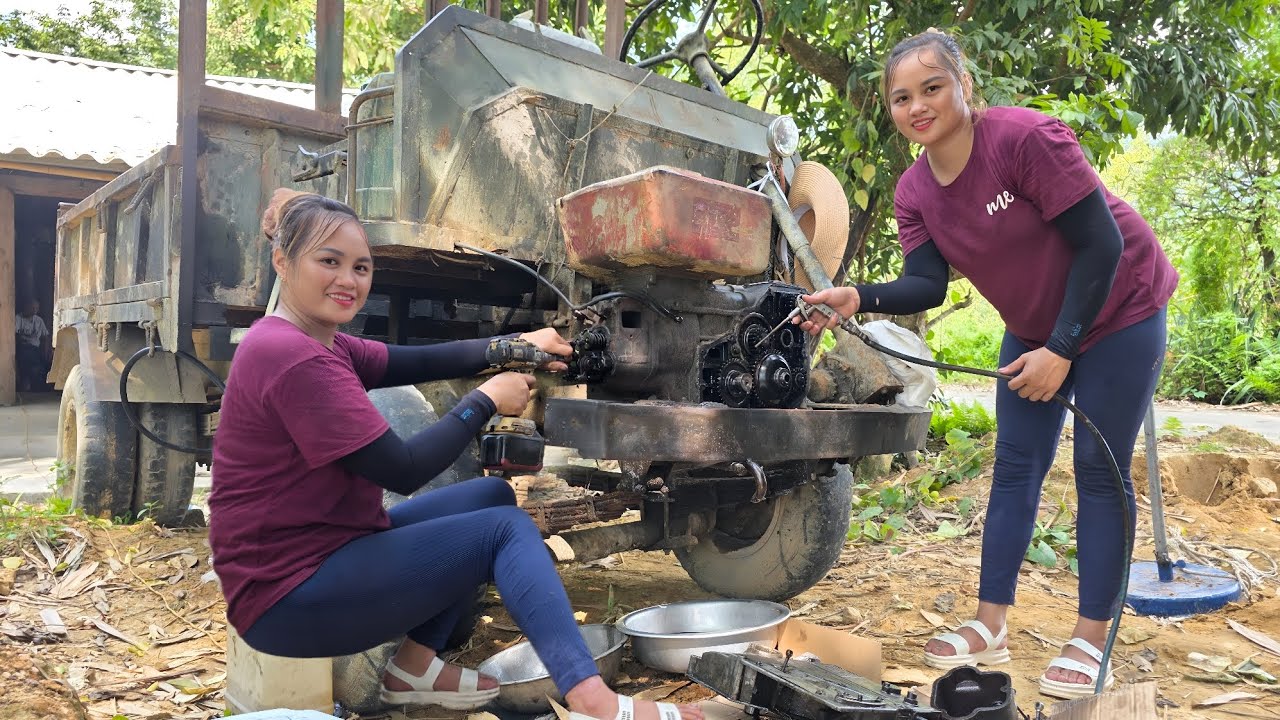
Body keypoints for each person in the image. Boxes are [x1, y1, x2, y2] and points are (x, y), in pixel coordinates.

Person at [208, 189, 700, 720]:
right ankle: (594, 700)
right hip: (288, 595)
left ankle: (411, 667)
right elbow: (403, 467)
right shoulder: (293, 357)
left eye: (361, 266)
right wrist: (483, 400)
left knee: (489, 495)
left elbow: (412, 361)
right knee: (502, 532)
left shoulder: (319, 341)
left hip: (327, 554)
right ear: (283, 261)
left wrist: (515, 343)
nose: (348, 280)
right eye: (329, 262)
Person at [795, 30, 1178, 700]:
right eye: (901, 97)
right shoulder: (914, 191)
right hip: (1034, 327)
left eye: (932, 87)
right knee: (1017, 468)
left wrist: (1063, 350)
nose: (918, 106)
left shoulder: (1027, 141)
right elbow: (928, 283)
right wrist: (859, 295)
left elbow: (1102, 244)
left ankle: (1091, 639)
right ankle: (989, 623)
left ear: (965, 86)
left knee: (1097, 469)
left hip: (1121, 307)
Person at [14, 298, 51, 392]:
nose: (35, 310)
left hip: (35, 349)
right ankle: (25, 383)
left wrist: (47, 351)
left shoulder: (39, 320)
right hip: (23, 348)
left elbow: (45, 336)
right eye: (32, 307)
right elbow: (16, 335)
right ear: (26, 307)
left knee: (44, 363)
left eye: (36, 308)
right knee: (26, 359)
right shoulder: (18, 318)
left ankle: (38, 386)